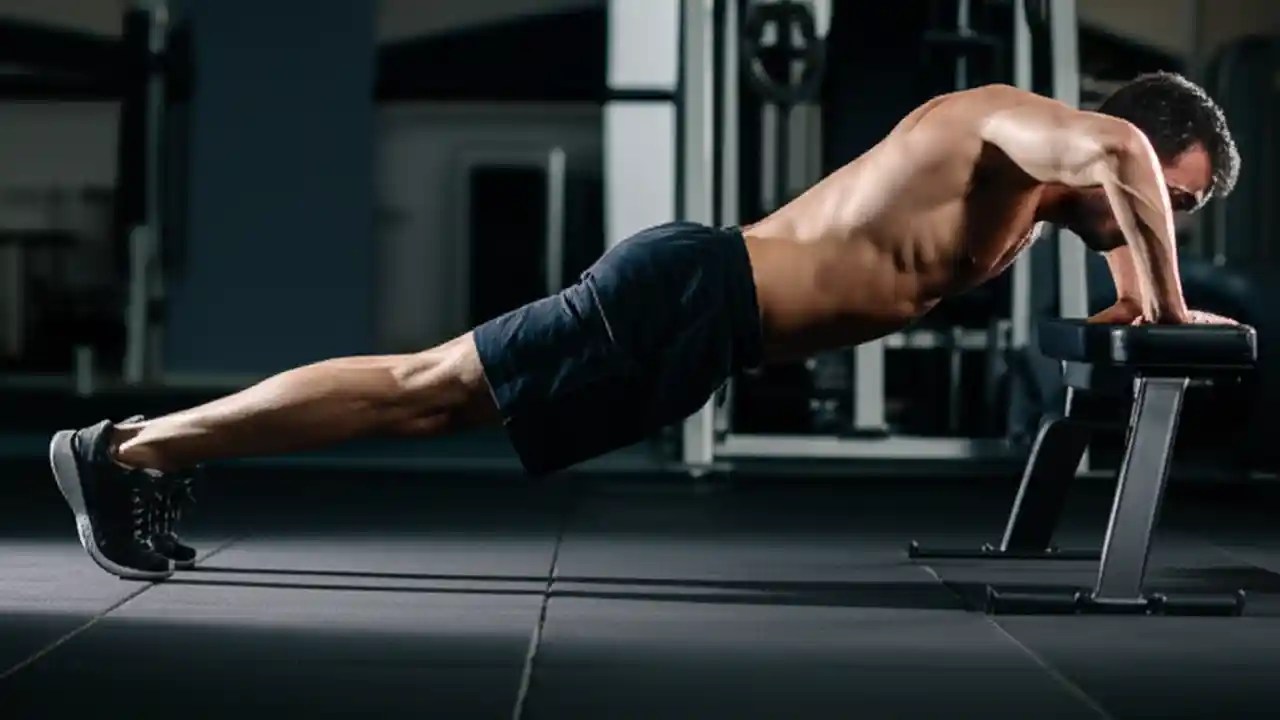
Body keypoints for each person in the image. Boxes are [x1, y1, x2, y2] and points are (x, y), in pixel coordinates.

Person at [51, 72, 1241, 580]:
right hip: (689, 293)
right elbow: (1120, 156)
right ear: (1131, 139)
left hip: (703, 328)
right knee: (420, 385)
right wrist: (1176, 306)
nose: (1160, 219)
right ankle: (125, 451)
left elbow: (1118, 190)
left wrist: (1142, 296)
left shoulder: (1040, 192)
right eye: (1176, 205)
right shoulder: (1016, 121)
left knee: (432, 401)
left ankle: (146, 454)